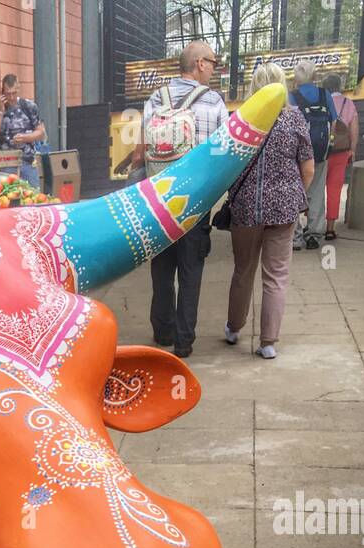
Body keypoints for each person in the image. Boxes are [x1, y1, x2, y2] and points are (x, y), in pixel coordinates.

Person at [135, 41, 227, 357]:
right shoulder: (213, 102)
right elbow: (222, 155)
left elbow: (141, 150)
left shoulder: (153, 100)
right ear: (200, 63)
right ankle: (183, 341)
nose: (215, 68)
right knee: (191, 270)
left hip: (159, 201)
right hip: (195, 201)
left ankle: (162, 331)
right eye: (213, 62)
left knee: (162, 268)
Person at [223, 64, 314, 360]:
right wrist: (294, 194)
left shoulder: (240, 121)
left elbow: (227, 166)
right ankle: (268, 342)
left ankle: (234, 328)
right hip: (284, 209)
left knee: (243, 270)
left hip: (247, 208)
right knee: (276, 275)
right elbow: (308, 168)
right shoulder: (294, 119)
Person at [289, 59, 337, 249]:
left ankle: (295, 237)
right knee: (317, 192)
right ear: (314, 76)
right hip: (320, 152)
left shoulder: (292, 97)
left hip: (296, 155)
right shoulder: (325, 95)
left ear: (296, 78)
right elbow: (333, 121)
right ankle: (314, 235)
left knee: (293, 192)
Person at [0, 73, 47, 190]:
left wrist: (25, 138)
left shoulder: (29, 106)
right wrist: (1, 112)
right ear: (3, 92)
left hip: (28, 161)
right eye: (8, 93)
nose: (11, 97)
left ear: (18, 89)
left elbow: (41, 132)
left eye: (14, 93)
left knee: (32, 198)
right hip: (6, 164)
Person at [323, 73, 359, 238]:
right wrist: (352, 149)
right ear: (339, 86)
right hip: (341, 152)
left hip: (321, 152)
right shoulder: (348, 103)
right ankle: (330, 228)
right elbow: (354, 130)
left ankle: (311, 225)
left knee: (315, 189)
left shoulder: (322, 102)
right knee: (334, 189)